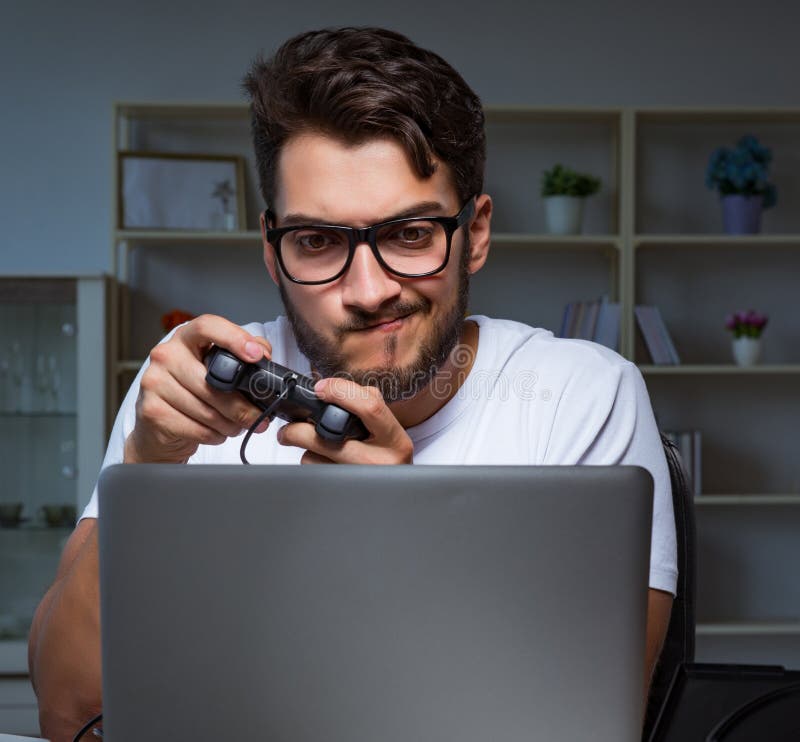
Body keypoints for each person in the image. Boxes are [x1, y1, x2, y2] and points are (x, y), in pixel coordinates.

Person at [28, 26, 676, 741]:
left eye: (409, 234)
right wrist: (148, 468)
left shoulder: (580, 397)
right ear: (273, 254)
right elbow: (65, 711)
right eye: (318, 241)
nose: (368, 291)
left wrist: (390, 531)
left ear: (477, 233)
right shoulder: (189, 392)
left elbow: (581, 729)